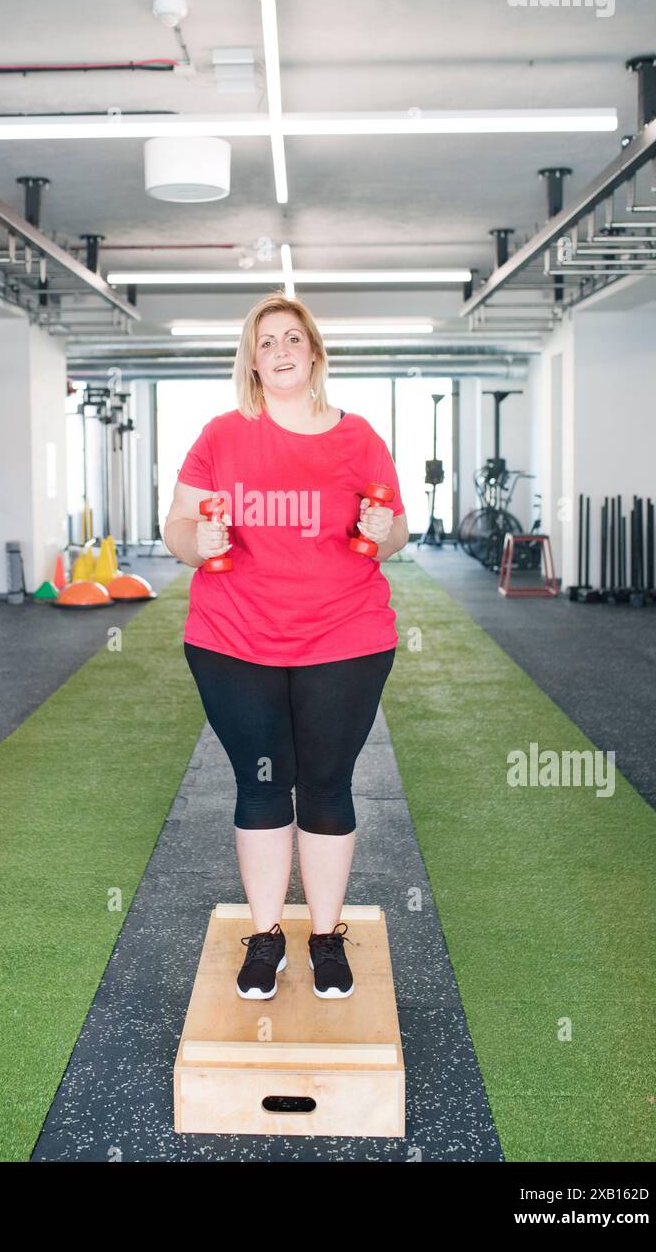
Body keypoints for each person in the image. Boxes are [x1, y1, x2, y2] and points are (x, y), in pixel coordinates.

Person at [162, 292, 408, 1002]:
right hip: (234, 639)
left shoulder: (358, 437)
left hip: (345, 638)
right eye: (265, 341)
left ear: (314, 351)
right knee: (262, 784)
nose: (279, 350)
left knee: (327, 785)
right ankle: (267, 936)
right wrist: (194, 542)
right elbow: (177, 526)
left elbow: (394, 534)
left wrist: (383, 523)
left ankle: (326, 938)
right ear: (252, 358)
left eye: (291, 338)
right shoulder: (221, 435)